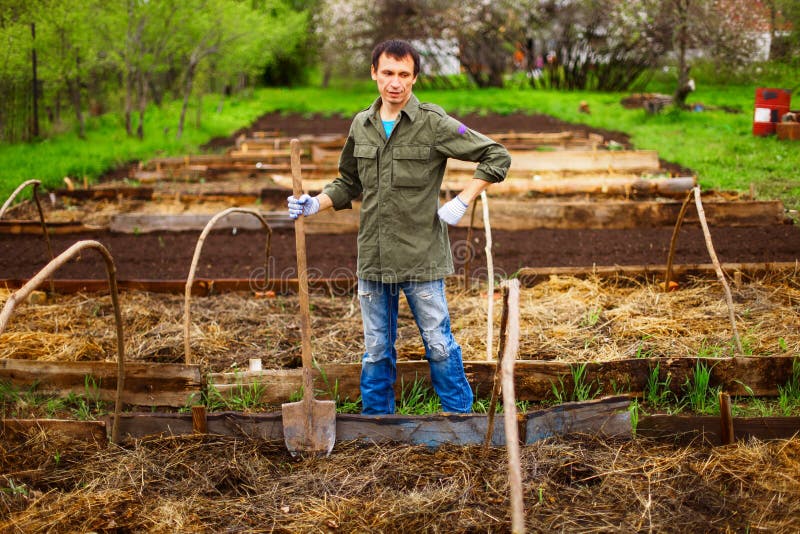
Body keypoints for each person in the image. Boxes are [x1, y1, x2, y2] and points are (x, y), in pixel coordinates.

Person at [287, 39, 510, 415]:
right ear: (374, 73)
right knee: (376, 347)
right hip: (373, 257)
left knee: (438, 343)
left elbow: (496, 154)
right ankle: (377, 425)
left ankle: (459, 419)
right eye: (388, 73)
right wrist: (315, 203)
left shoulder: (433, 122)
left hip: (420, 255)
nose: (395, 82)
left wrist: (462, 199)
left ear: (415, 78)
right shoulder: (363, 124)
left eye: (404, 74)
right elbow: (348, 183)